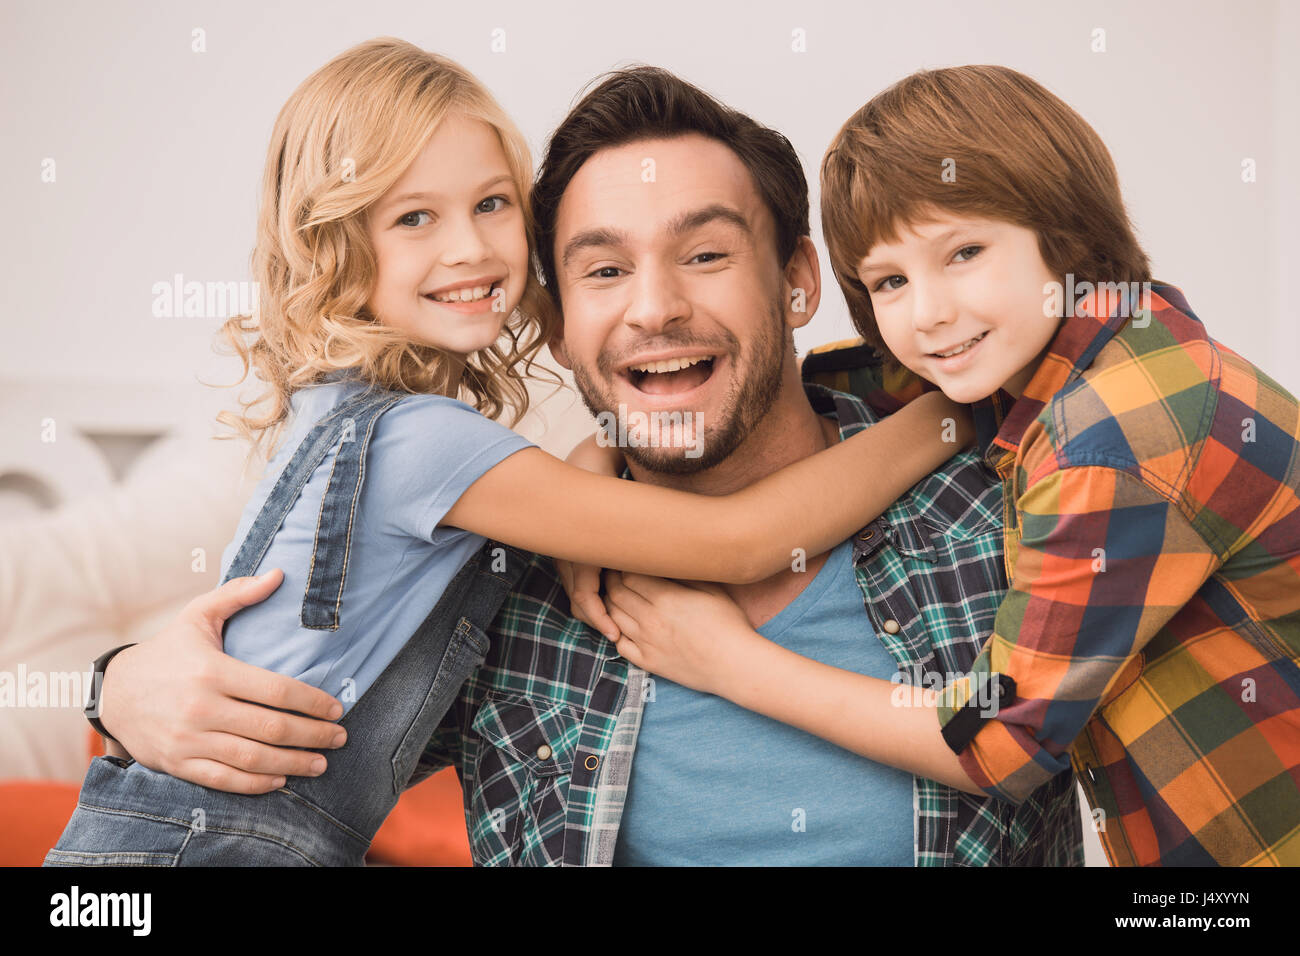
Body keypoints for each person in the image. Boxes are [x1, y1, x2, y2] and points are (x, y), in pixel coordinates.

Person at [85, 65, 1084, 866]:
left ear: (796, 279)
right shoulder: (505, 581)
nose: (652, 307)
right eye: (604, 270)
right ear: (554, 321)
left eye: (703, 255)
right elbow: (308, 708)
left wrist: (970, 415)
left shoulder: (1014, 505)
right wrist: (121, 686)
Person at [602, 65, 1300, 867]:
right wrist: (603, 446)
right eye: (890, 281)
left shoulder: (1107, 444)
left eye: (963, 252)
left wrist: (730, 662)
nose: (928, 313)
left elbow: (1002, 740)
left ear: (1064, 232)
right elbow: (842, 378)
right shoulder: (1099, 339)